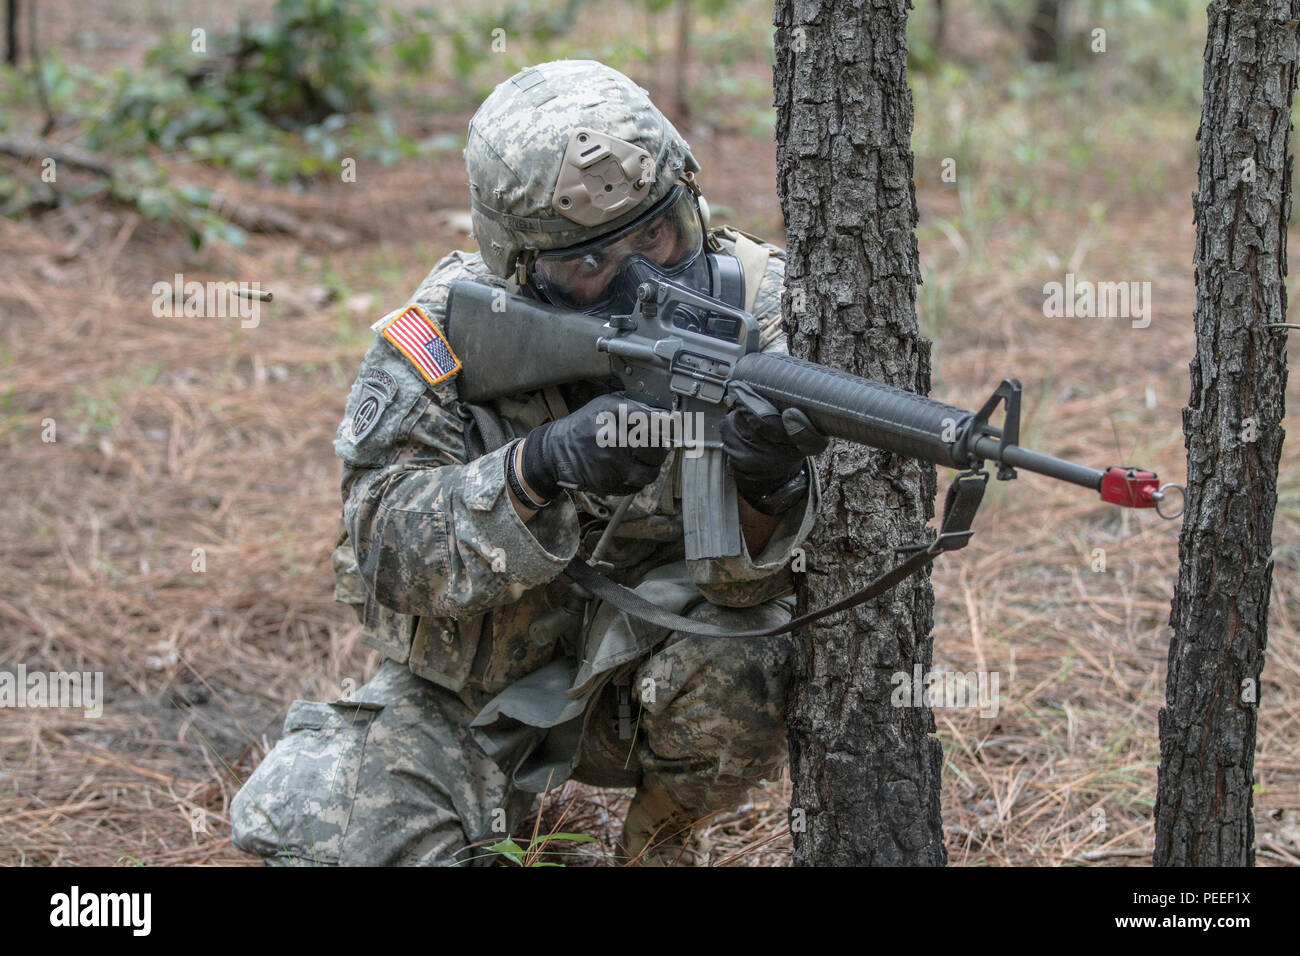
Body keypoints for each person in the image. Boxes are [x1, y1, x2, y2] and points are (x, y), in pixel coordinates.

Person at [230, 59, 824, 866]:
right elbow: (385, 547)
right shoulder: (442, 338)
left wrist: (762, 483)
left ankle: (664, 837)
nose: (643, 278)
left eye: (657, 233)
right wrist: (539, 466)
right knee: (314, 826)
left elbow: (753, 597)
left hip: (655, 677)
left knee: (755, 650)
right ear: (519, 266)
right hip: (471, 696)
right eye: (590, 264)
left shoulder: (763, 311)